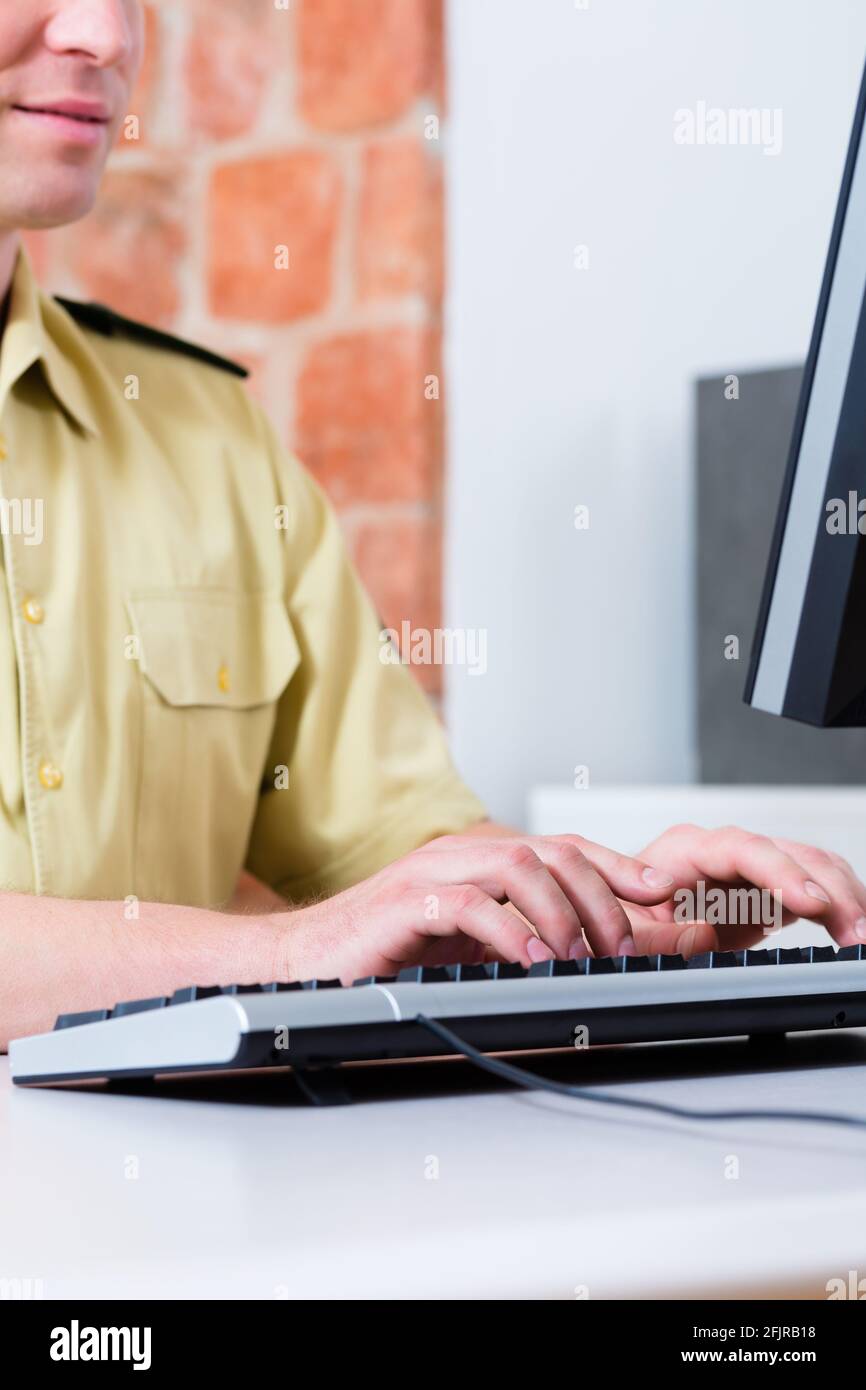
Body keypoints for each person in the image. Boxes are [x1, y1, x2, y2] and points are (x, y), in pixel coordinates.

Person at [1, 0, 864, 1051]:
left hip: (181, 1205)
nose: (103, 33)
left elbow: (403, 861)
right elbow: (323, 937)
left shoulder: (207, 439)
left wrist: (613, 910)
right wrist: (280, 955)